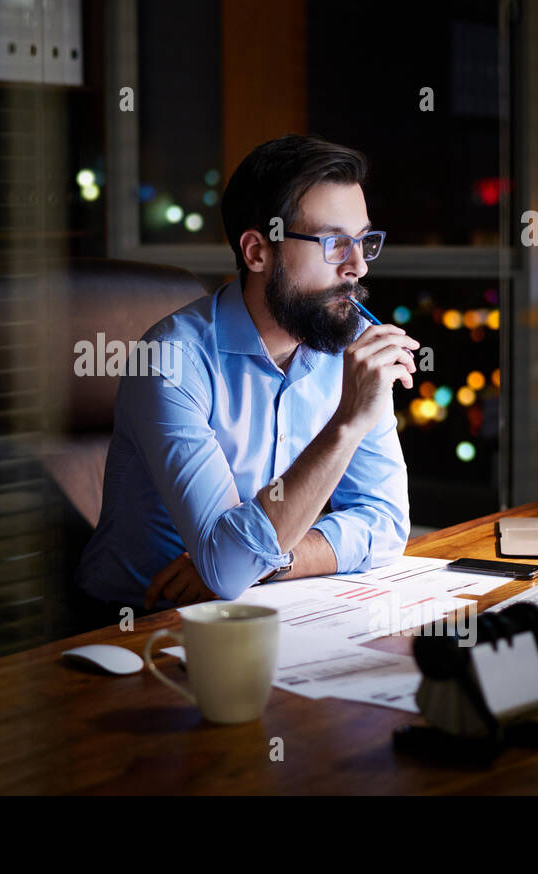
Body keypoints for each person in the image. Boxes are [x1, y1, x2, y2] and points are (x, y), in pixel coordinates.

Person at [74, 134, 417, 614]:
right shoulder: (169, 361)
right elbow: (228, 568)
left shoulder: (347, 342)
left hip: (263, 603)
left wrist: (278, 562)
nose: (357, 266)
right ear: (257, 252)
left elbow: (385, 523)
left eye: (363, 242)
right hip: (136, 623)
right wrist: (348, 423)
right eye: (335, 243)